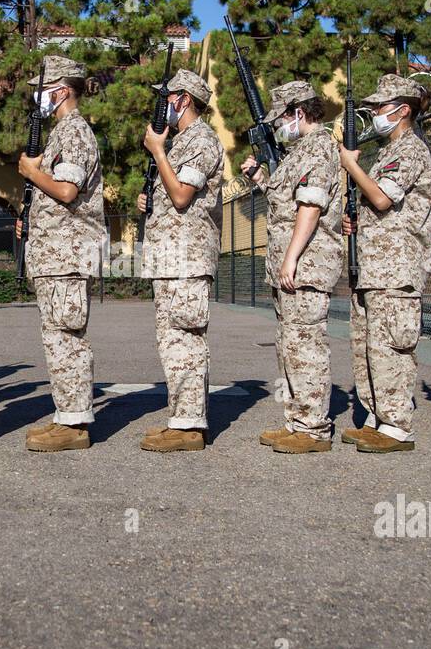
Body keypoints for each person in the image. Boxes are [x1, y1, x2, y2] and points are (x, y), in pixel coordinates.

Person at [243, 80, 344, 454]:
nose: (277, 126)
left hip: (306, 265)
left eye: (281, 118)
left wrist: (291, 257)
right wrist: (260, 178)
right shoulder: (300, 152)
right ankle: (297, 421)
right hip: (292, 266)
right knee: (290, 345)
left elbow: (311, 208)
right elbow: (285, 201)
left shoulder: (318, 149)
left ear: (298, 112)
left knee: (306, 347)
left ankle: (313, 429)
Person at [340, 74, 431, 454]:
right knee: (370, 347)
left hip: (396, 268)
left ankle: (397, 426)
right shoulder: (389, 152)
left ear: (402, 110)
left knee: (392, 347)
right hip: (374, 269)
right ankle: (378, 417)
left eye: (380, 107)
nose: (374, 113)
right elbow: (377, 207)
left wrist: (352, 167)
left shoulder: (411, 150)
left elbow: (382, 199)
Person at [16, 55, 105, 452]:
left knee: (67, 338)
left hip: (67, 254)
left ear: (62, 90)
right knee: (57, 337)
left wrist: (32, 173)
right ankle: (67, 415)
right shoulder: (59, 134)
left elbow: (67, 191)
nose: (37, 100)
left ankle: (75, 423)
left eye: (43, 90)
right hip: (55, 253)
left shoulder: (74, 132)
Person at [137, 68, 224, 453]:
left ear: (183, 99)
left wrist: (157, 150)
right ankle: (181, 418)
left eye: (166, 97)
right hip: (171, 256)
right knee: (171, 339)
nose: (161, 105)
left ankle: (190, 426)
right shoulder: (180, 142)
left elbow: (183, 196)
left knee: (186, 338)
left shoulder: (202, 140)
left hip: (188, 257)